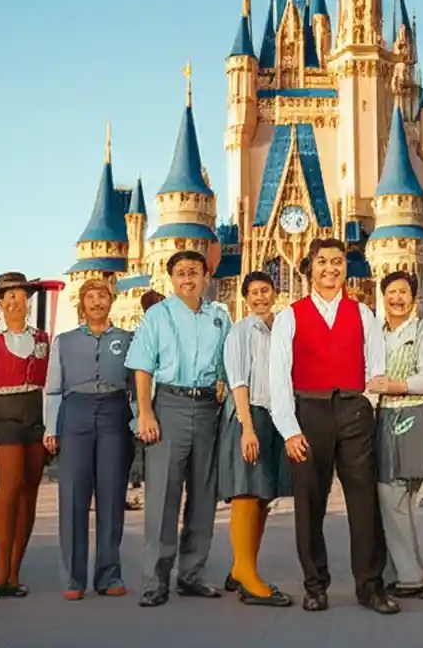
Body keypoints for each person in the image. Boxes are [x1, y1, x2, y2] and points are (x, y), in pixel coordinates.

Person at [268, 238, 398, 615]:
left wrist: (364, 406)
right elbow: (279, 377)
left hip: (353, 410)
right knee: (310, 503)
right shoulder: (291, 316)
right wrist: (290, 429)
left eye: (338, 262)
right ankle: (315, 584)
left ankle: (370, 586)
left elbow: (377, 368)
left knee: (364, 502)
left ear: (345, 267)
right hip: (309, 412)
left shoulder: (362, 314)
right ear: (310, 267)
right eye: (323, 261)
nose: (330, 268)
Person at [127, 250, 231, 607]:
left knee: (204, 495)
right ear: (172, 279)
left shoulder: (219, 318)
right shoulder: (158, 316)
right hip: (169, 406)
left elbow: (227, 364)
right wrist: (145, 412)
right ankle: (155, 580)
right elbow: (142, 366)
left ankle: (192, 574)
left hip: (206, 409)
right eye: (181, 273)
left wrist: (221, 381)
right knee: (163, 497)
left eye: (194, 272)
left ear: (206, 277)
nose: (188, 278)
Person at [45, 277, 135, 600]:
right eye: (90, 298)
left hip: (114, 412)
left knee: (112, 494)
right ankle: (73, 578)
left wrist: (138, 421)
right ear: (81, 304)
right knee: (73, 496)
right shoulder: (65, 341)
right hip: (76, 412)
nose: (96, 303)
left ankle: (109, 574)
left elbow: (135, 388)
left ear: (111, 302)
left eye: (102, 297)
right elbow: (53, 388)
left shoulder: (127, 339)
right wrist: (51, 428)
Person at [0, 272, 50, 601]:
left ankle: (15, 571)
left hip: (35, 416)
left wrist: (51, 426)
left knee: (30, 492)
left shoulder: (43, 339)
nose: (16, 301)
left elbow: (49, 386)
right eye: (9, 296)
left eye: (20, 295)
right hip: (4, 414)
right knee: (9, 487)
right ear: (0, 303)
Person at [371, 271, 423, 600]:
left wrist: (398, 385)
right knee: (391, 497)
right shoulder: (375, 334)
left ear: (413, 298)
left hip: (412, 415)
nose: (397, 298)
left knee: (394, 494)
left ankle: (412, 576)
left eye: (404, 292)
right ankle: (401, 570)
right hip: (383, 417)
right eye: (392, 292)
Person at [219, 271, 293, 607]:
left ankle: (240, 567)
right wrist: (247, 427)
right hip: (249, 416)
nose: (260, 297)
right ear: (245, 298)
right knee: (247, 492)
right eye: (253, 293)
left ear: (275, 293)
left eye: (265, 291)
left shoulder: (281, 330)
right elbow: (238, 381)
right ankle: (249, 577)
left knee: (263, 494)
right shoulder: (241, 331)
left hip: (275, 417)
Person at [126, 289, 166, 511]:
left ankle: (141, 484)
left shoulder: (144, 332)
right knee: (144, 446)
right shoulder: (146, 332)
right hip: (145, 399)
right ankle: (142, 485)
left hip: (147, 398)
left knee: (143, 446)